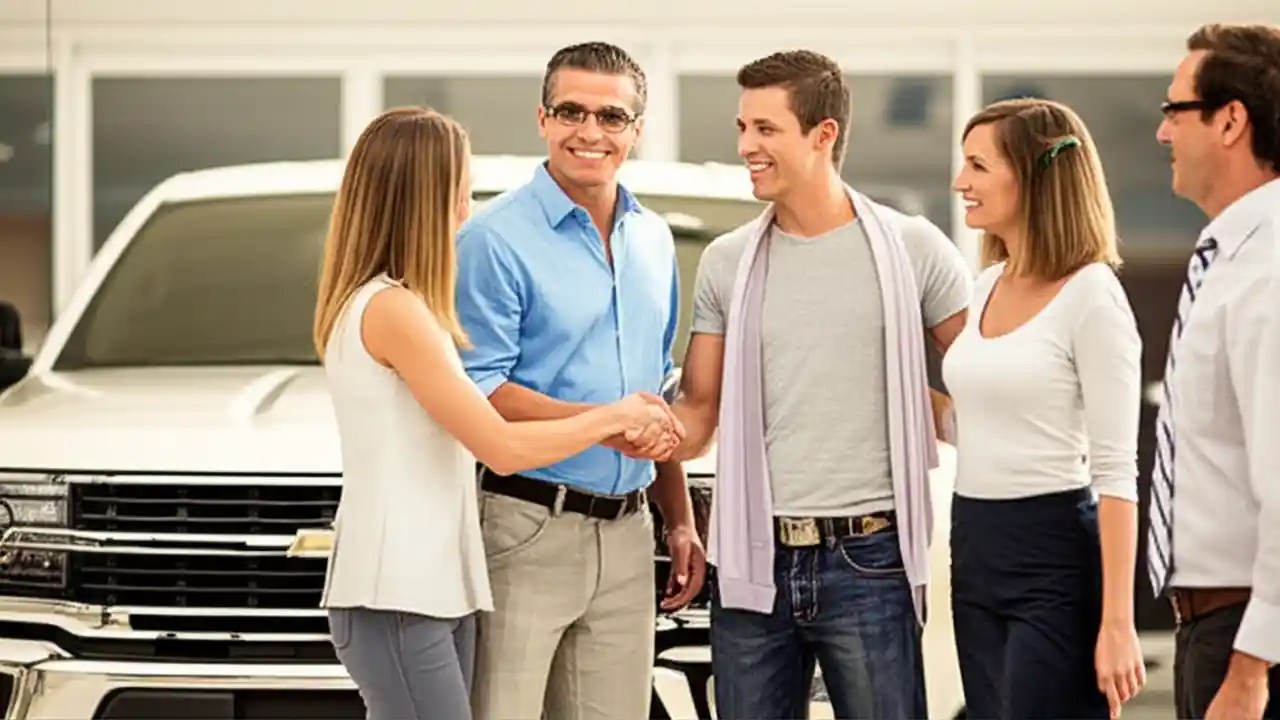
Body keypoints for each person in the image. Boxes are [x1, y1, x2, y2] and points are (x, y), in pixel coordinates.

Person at [311, 106, 673, 720]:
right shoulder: (395, 313)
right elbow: (501, 447)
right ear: (423, 197)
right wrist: (613, 418)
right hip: (397, 593)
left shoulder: (395, 307)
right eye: (459, 189)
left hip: (426, 591)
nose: (466, 208)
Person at [668, 49, 972, 719]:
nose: (746, 145)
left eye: (766, 129)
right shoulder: (726, 263)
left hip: (871, 561)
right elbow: (696, 412)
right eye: (742, 127)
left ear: (823, 133)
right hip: (753, 562)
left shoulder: (912, 248)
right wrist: (625, 426)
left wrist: (920, 407)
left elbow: (992, 381)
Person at [453, 42, 706, 720]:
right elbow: (482, 389)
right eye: (571, 112)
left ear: (636, 130)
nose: (590, 132)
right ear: (542, 118)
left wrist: (678, 520)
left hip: (629, 537)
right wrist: (605, 421)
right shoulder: (493, 239)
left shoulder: (653, 239)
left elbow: (654, 393)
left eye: (611, 117)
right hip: (525, 526)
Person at [943, 97, 1147, 719]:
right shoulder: (985, 287)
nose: (960, 182)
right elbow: (977, 419)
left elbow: (1116, 476)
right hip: (973, 549)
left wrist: (1117, 623)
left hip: (1051, 558)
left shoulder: (1092, 296)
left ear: (1032, 177)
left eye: (977, 166)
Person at [1148, 22, 1280, 720]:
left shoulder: (1267, 267)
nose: (1163, 133)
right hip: (1217, 629)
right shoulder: (1229, 256)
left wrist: (1253, 666)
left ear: (1231, 120)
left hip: (1249, 640)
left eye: (1175, 110)